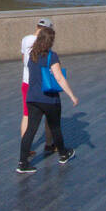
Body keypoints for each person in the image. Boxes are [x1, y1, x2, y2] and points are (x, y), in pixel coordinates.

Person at [17, 25, 79, 173]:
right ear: (50, 41)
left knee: (30, 131)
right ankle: (63, 154)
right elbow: (59, 78)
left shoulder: (31, 54)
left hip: (32, 98)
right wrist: (72, 95)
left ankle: (22, 163)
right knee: (55, 127)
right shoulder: (52, 56)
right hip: (49, 99)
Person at [20, 18, 57, 155]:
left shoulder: (25, 39)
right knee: (48, 114)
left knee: (26, 115)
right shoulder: (44, 41)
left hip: (26, 81)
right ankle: (49, 144)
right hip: (40, 83)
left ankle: (26, 147)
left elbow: (24, 59)